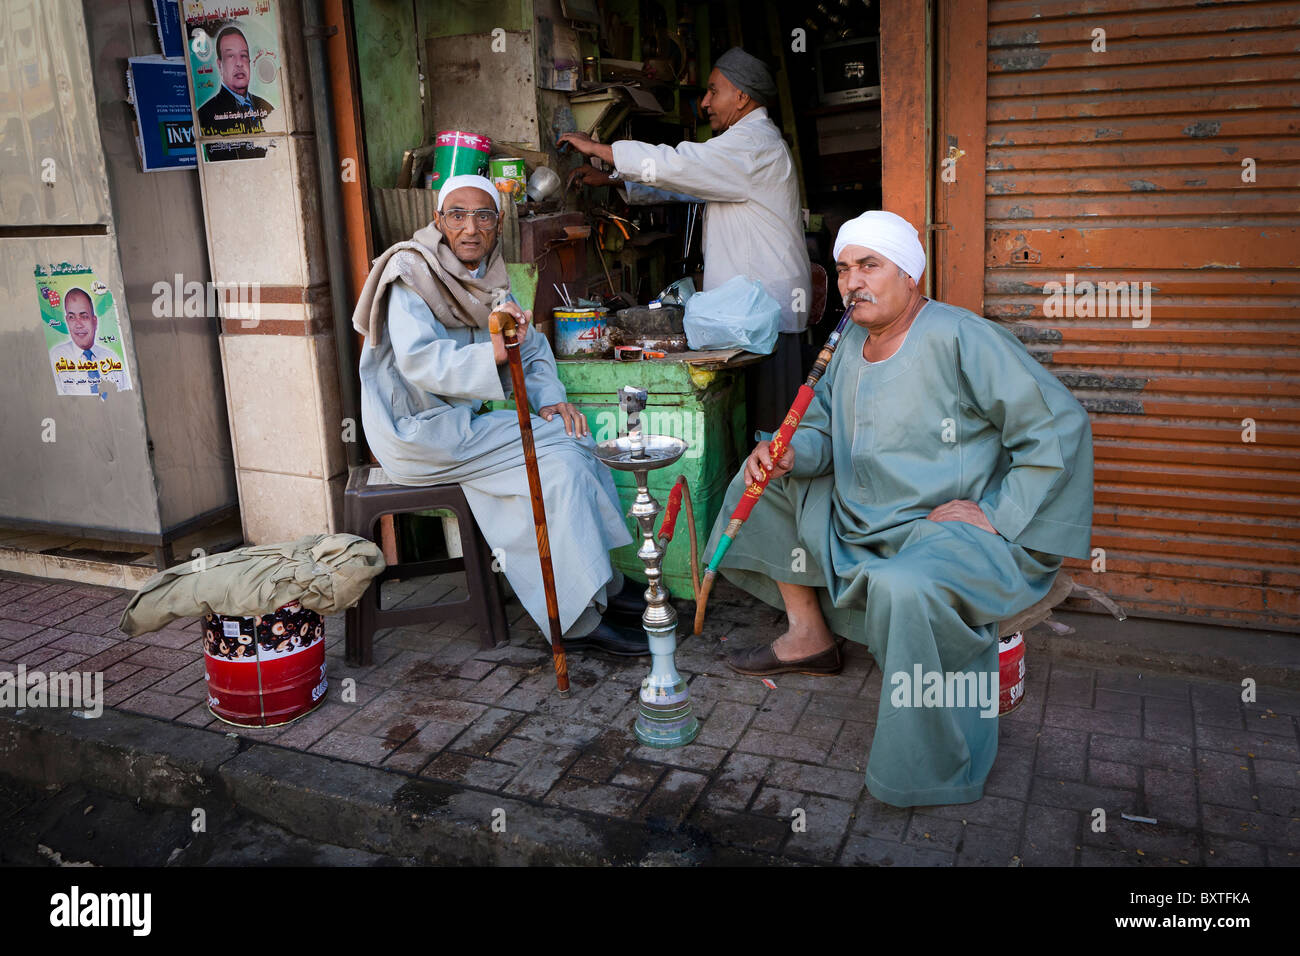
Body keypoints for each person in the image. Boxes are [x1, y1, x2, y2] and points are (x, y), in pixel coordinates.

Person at [704, 210, 1095, 807]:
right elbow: (824, 434)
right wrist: (785, 455)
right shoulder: (848, 346)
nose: (852, 282)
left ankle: (928, 772)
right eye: (842, 270)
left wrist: (999, 513)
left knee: (908, 588)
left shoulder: (961, 336)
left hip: (945, 532)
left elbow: (1059, 426)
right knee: (755, 485)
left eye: (869, 266)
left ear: (910, 275)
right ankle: (809, 637)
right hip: (862, 518)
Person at [353, 174, 648, 656]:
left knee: (573, 440)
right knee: (557, 466)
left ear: (498, 224)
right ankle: (574, 621)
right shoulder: (411, 273)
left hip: (462, 430)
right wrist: (492, 350)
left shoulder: (489, 279)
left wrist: (549, 397)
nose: (471, 228)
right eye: (458, 216)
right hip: (418, 434)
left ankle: (602, 585)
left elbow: (527, 349)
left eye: (483, 216)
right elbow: (422, 363)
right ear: (439, 222)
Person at [559, 47, 811, 436]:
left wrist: (602, 150)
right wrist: (613, 178)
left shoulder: (752, 144)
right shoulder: (747, 144)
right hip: (756, 317)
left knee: (774, 436)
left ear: (742, 96)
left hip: (766, 317)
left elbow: (682, 164)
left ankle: (772, 498)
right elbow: (689, 187)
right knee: (760, 433)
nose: (705, 101)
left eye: (713, 91)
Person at [48, 287, 129, 396]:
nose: (78, 324)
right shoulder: (57, 357)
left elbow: (126, 396)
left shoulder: (112, 358)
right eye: (72, 317)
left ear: (94, 322)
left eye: (84, 316)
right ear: (67, 321)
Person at [197, 26, 274, 137]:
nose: (239, 63)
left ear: (249, 62)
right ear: (219, 65)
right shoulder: (205, 115)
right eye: (231, 56)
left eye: (243, 55)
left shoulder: (268, 109)